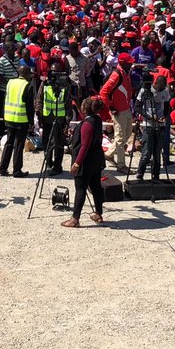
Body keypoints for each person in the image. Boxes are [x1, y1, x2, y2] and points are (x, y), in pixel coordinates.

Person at [64, 97, 106, 228]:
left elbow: (84, 146)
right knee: (96, 187)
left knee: (80, 189)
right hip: (96, 160)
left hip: (86, 162)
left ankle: (75, 218)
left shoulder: (87, 124)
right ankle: (98, 214)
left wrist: (77, 163)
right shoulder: (97, 119)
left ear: (84, 109)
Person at [100, 52, 135, 175]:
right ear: (124, 64)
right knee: (120, 138)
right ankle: (121, 165)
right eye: (130, 62)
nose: (131, 64)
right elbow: (103, 92)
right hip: (119, 110)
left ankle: (109, 154)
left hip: (125, 109)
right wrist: (111, 107)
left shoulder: (125, 72)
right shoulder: (117, 75)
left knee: (128, 133)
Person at [0, 63, 34, 178]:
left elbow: (6, 100)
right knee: (19, 145)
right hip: (21, 119)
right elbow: (29, 106)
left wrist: (4, 116)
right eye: (30, 73)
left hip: (9, 118)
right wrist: (31, 122)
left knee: (9, 143)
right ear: (26, 74)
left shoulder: (10, 83)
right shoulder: (27, 85)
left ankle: (2, 168)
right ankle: (17, 170)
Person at [39, 60, 72, 175]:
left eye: (57, 73)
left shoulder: (65, 85)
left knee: (58, 143)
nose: (54, 75)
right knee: (47, 142)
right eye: (52, 72)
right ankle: (48, 163)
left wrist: (68, 119)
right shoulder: (45, 83)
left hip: (59, 119)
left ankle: (57, 166)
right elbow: (39, 100)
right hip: (47, 118)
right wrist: (39, 117)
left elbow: (68, 102)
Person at [134, 72, 168, 182]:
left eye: (163, 88)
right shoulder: (145, 91)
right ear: (156, 83)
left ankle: (156, 176)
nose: (161, 90)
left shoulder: (165, 91)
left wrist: (165, 117)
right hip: (148, 125)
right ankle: (140, 175)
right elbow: (137, 107)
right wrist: (149, 117)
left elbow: (167, 106)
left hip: (160, 125)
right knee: (146, 153)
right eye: (160, 87)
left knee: (157, 154)